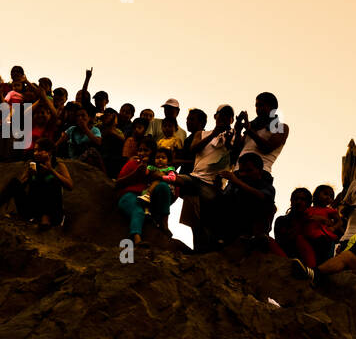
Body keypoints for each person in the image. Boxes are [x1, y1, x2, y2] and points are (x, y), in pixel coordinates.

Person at [176, 106, 234, 251]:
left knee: (205, 221)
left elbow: (236, 151)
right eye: (221, 115)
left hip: (212, 186)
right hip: (195, 179)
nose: (223, 118)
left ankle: (204, 252)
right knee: (194, 221)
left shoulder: (234, 136)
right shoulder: (201, 134)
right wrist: (214, 134)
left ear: (231, 119)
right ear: (215, 116)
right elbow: (193, 149)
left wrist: (235, 131)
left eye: (227, 116)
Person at [0, 141, 73, 226]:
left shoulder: (58, 165)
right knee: (15, 182)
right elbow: (20, 186)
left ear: (49, 152)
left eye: (39, 150)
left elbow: (70, 186)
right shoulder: (33, 164)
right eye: (35, 150)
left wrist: (52, 171)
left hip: (53, 214)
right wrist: (28, 176)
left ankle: (46, 218)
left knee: (52, 181)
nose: (35, 153)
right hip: (32, 209)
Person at [213, 151, 276, 245]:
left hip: (255, 226)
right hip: (236, 223)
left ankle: (257, 237)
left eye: (249, 171)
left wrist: (237, 182)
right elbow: (225, 198)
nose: (244, 174)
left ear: (259, 171)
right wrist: (217, 188)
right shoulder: (236, 180)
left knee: (268, 205)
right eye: (242, 171)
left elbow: (264, 198)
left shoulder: (265, 185)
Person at [115, 138, 170, 245]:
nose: (141, 153)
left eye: (146, 150)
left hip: (147, 200)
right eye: (140, 150)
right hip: (129, 196)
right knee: (138, 210)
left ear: (153, 152)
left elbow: (169, 187)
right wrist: (136, 173)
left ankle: (164, 224)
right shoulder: (133, 163)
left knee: (163, 186)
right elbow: (117, 184)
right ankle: (136, 238)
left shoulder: (158, 167)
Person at [235, 92, 289, 172]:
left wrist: (249, 130)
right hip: (238, 171)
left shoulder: (281, 127)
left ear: (273, 108)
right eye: (256, 105)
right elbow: (236, 151)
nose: (258, 109)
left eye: (261, 105)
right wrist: (238, 131)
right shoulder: (253, 127)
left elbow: (267, 148)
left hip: (259, 174)